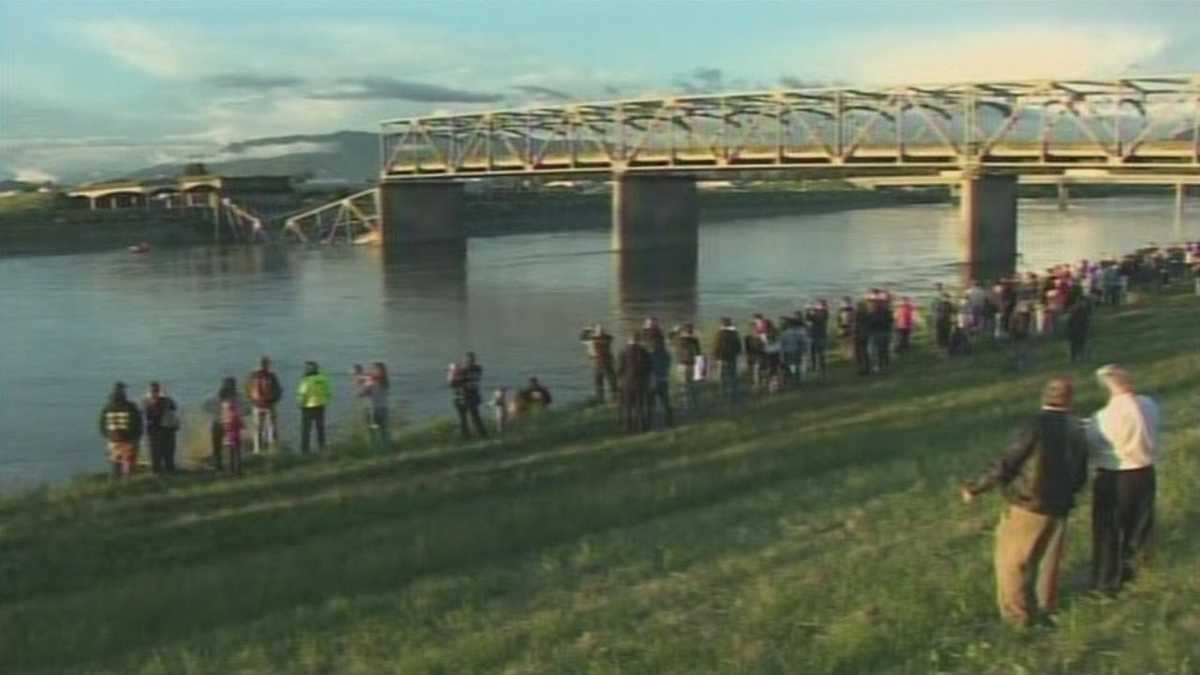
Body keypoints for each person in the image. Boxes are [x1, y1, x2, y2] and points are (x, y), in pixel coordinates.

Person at [961, 377, 1089, 627]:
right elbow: (1081, 474)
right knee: (1043, 563)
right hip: (1060, 506)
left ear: (1045, 396)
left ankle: (1017, 621)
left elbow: (1008, 462)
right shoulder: (1078, 429)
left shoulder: (1035, 425)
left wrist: (976, 488)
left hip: (1029, 504)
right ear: (1070, 399)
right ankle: (1042, 609)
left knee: (1011, 564)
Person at [1086, 365, 1160, 593]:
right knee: (1138, 524)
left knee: (1108, 529)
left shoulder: (1104, 417)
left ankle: (1106, 580)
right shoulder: (1149, 405)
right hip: (1145, 471)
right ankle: (1133, 571)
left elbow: (1093, 445)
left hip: (1115, 475)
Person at [99, 382, 143, 478]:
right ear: (123, 394)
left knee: (115, 461)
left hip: (113, 440)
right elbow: (137, 422)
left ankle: (116, 481)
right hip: (129, 440)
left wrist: (108, 436)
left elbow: (102, 425)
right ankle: (127, 481)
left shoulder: (107, 408)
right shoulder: (130, 407)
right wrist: (137, 435)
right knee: (128, 462)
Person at [244, 356, 282, 454]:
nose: (265, 366)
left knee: (269, 428)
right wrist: (252, 401)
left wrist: (274, 400)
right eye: (265, 364)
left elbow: (278, 390)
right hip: (260, 405)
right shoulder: (254, 376)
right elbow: (247, 389)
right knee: (261, 428)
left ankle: (269, 449)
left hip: (267, 405)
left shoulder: (270, 376)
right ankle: (259, 450)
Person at [206, 377, 244, 469]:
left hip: (218, 422)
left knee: (217, 446)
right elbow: (246, 409)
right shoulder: (238, 397)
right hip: (232, 424)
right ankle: (235, 466)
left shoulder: (217, 396)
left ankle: (219, 464)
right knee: (234, 446)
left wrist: (217, 412)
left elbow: (206, 406)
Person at [142, 381, 179, 474]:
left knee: (155, 453)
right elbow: (174, 407)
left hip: (154, 430)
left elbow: (144, 413)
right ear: (159, 390)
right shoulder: (166, 400)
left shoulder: (146, 401)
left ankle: (157, 471)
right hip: (166, 430)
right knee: (168, 452)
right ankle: (169, 470)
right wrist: (165, 395)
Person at [617, 334, 652, 432]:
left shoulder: (624, 352)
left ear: (629, 340)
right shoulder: (644, 352)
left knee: (628, 406)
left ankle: (628, 428)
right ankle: (641, 427)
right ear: (639, 340)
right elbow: (649, 367)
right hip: (641, 383)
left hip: (627, 383)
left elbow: (619, 369)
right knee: (639, 406)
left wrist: (619, 380)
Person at [449, 352, 488, 440]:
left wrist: (452, 371)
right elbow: (463, 380)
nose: (465, 362)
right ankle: (483, 436)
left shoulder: (465, 371)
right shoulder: (478, 369)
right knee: (475, 418)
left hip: (463, 398)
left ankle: (467, 437)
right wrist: (457, 370)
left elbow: (453, 384)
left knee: (464, 420)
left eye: (466, 361)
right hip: (473, 396)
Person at [296, 361, 332, 453]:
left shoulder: (306, 380)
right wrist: (325, 402)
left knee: (306, 431)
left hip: (308, 407)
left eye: (307, 368)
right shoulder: (323, 378)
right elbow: (328, 392)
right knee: (320, 429)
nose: (305, 369)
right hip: (320, 406)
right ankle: (322, 449)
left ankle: (305, 451)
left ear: (309, 369)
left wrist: (299, 404)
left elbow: (302, 394)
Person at [580, 324, 618, 403]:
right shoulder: (608, 339)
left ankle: (600, 399)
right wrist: (597, 331)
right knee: (612, 381)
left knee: (598, 383)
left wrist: (587, 330)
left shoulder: (591, 340)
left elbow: (582, 338)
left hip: (597, 363)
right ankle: (614, 398)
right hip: (607, 363)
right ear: (603, 332)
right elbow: (611, 336)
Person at [671, 323, 702, 411]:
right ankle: (695, 404)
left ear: (683, 331)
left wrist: (675, 330)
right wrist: (700, 370)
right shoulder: (695, 340)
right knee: (694, 386)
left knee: (684, 386)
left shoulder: (679, 340)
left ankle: (685, 405)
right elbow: (699, 353)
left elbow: (670, 337)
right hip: (694, 365)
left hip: (682, 365)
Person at [711, 317, 742, 404]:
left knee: (721, 378)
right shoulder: (734, 334)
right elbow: (738, 347)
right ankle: (734, 396)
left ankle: (723, 394)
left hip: (721, 359)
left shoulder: (719, 334)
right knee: (733, 377)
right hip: (732, 358)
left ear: (721, 324)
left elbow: (716, 347)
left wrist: (714, 358)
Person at [648, 339, 674, 428]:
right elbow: (668, 364)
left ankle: (651, 422)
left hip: (654, 381)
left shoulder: (651, 355)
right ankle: (669, 422)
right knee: (666, 402)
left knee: (651, 403)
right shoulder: (666, 355)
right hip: (664, 380)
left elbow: (649, 367)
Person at [365, 362, 390, 450]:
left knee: (373, 431)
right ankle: (386, 449)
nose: (371, 371)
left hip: (374, 410)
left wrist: (366, 380)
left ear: (379, 370)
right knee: (384, 431)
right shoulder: (385, 381)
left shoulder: (373, 381)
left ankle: (375, 450)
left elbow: (363, 392)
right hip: (384, 409)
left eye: (374, 369)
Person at [220, 399, 244, 476]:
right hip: (236, 437)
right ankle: (238, 470)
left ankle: (231, 470)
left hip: (229, 439)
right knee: (237, 455)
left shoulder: (225, 417)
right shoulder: (236, 415)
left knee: (230, 455)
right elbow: (242, 426)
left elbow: (224, 429)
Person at [805, 300, 829, 377]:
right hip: (813, 335)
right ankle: (814, 367)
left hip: (820, 336)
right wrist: (808, 311)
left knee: (821, 353)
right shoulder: (817, 312)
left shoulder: (824, 312)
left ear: (822, 305)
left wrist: (811, 310)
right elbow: (808, 318)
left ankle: (822, 369)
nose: (816, 306)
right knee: (812, 352)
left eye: (818, 304)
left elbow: (817, 320)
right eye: (816, 304)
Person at [1066, 298, 1091, 363]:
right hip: (1075, 332)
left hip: (1078, 332)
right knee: (1075, 346)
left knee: (1078, 346)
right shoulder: (1076, 311)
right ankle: (1075, 358)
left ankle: (1078, 358)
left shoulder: (1083, 312)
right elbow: (1069, 322)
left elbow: (1086, 323)